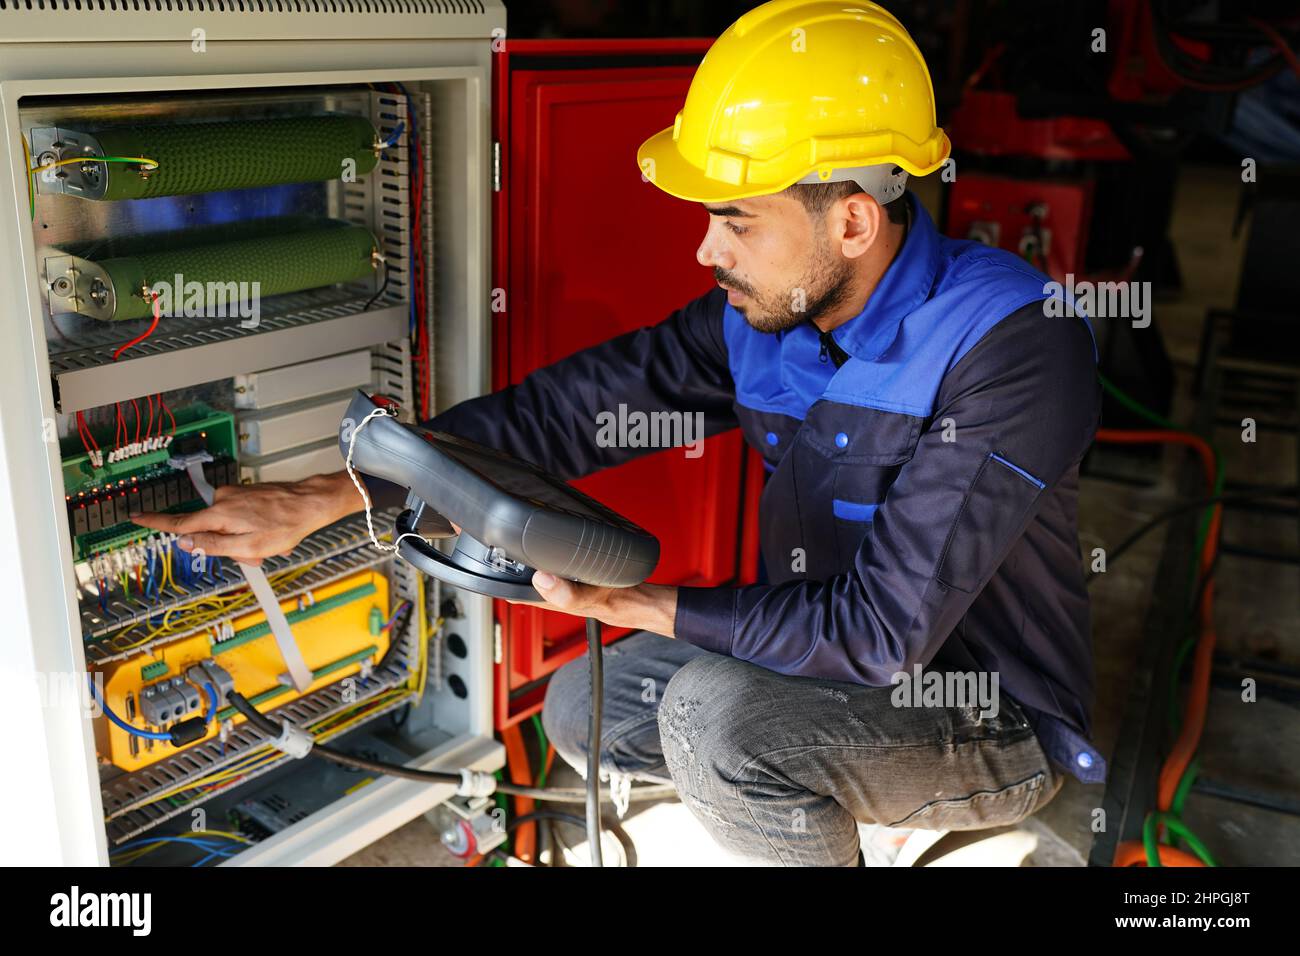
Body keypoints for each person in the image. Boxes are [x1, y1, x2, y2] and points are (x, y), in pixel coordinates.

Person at [136, 0, 1103, 866]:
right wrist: (328, 496)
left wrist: (646, 604)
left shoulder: (1013, 349)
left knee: (717, 724)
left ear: (851, 221)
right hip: (823, 668)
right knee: (583, 708)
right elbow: (561, 418)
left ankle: (883, 809)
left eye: (735, 222)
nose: (704, 249)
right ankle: (834, 792)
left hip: (981, 708)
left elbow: (880, 635)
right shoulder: (760, 318)